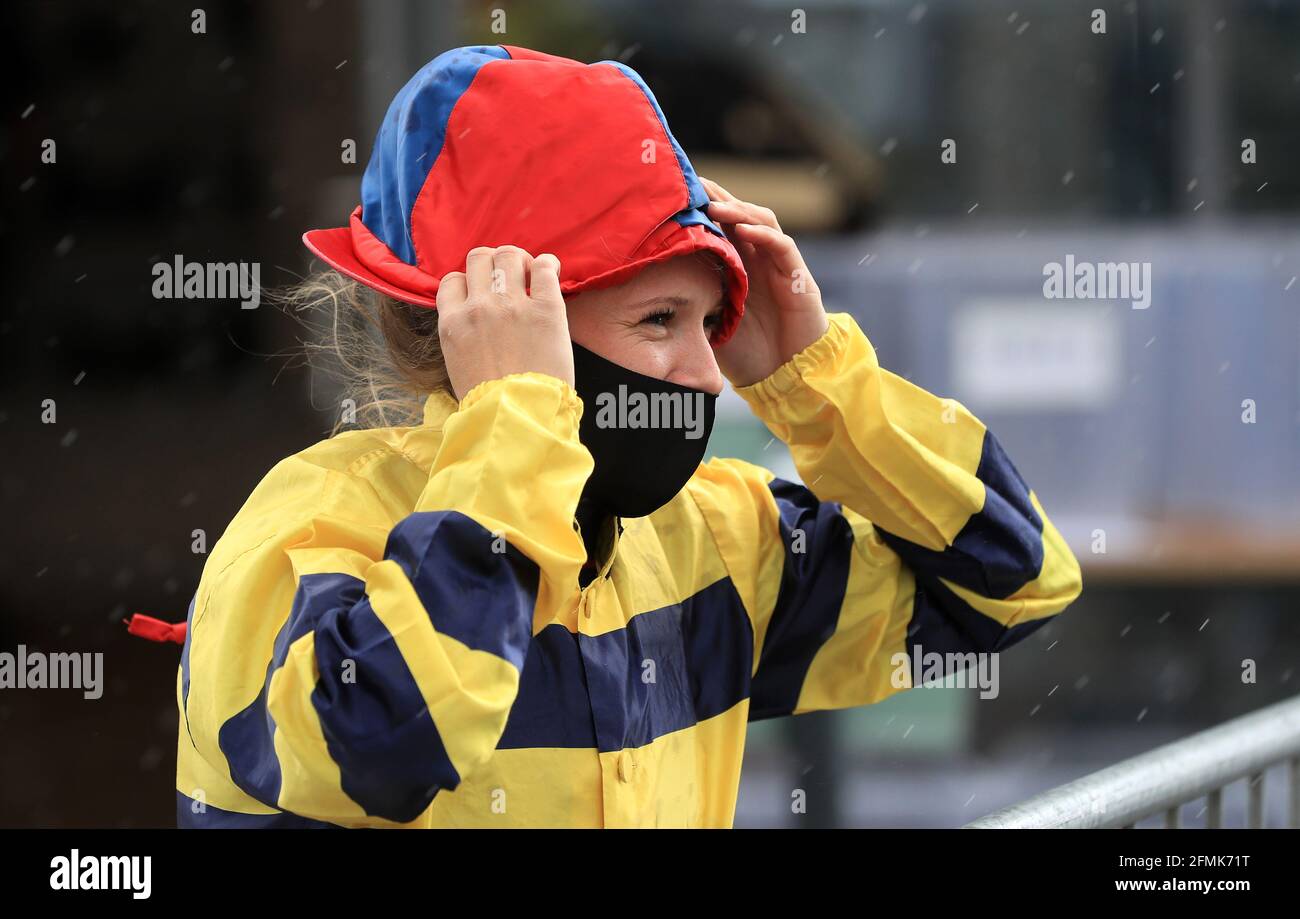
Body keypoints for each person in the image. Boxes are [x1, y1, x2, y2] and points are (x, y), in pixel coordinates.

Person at [170, 44, 1082, 828]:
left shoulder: (708, 540)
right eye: (658, 320)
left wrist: (814, 377)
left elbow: (1013, 581)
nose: (706, 371)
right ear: (494, 317)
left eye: (713, 320)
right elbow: (385, 741)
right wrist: (519, 418)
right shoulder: (309, 528)